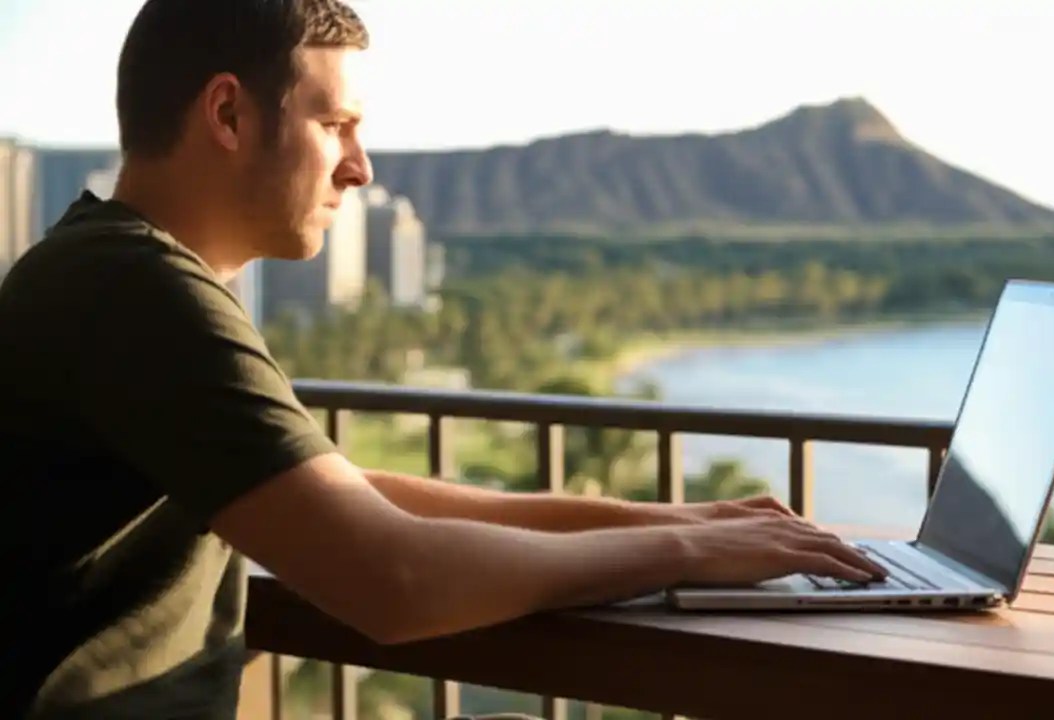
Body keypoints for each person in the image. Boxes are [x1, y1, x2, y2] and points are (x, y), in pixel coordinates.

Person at [0, 1, 886, 718]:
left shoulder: (121, 272)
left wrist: (670, 522)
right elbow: (397, 578)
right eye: (336, 123)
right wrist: (682, 554)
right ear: (227, 113)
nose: (362, 167)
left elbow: (347, 493)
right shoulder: (136, 291)